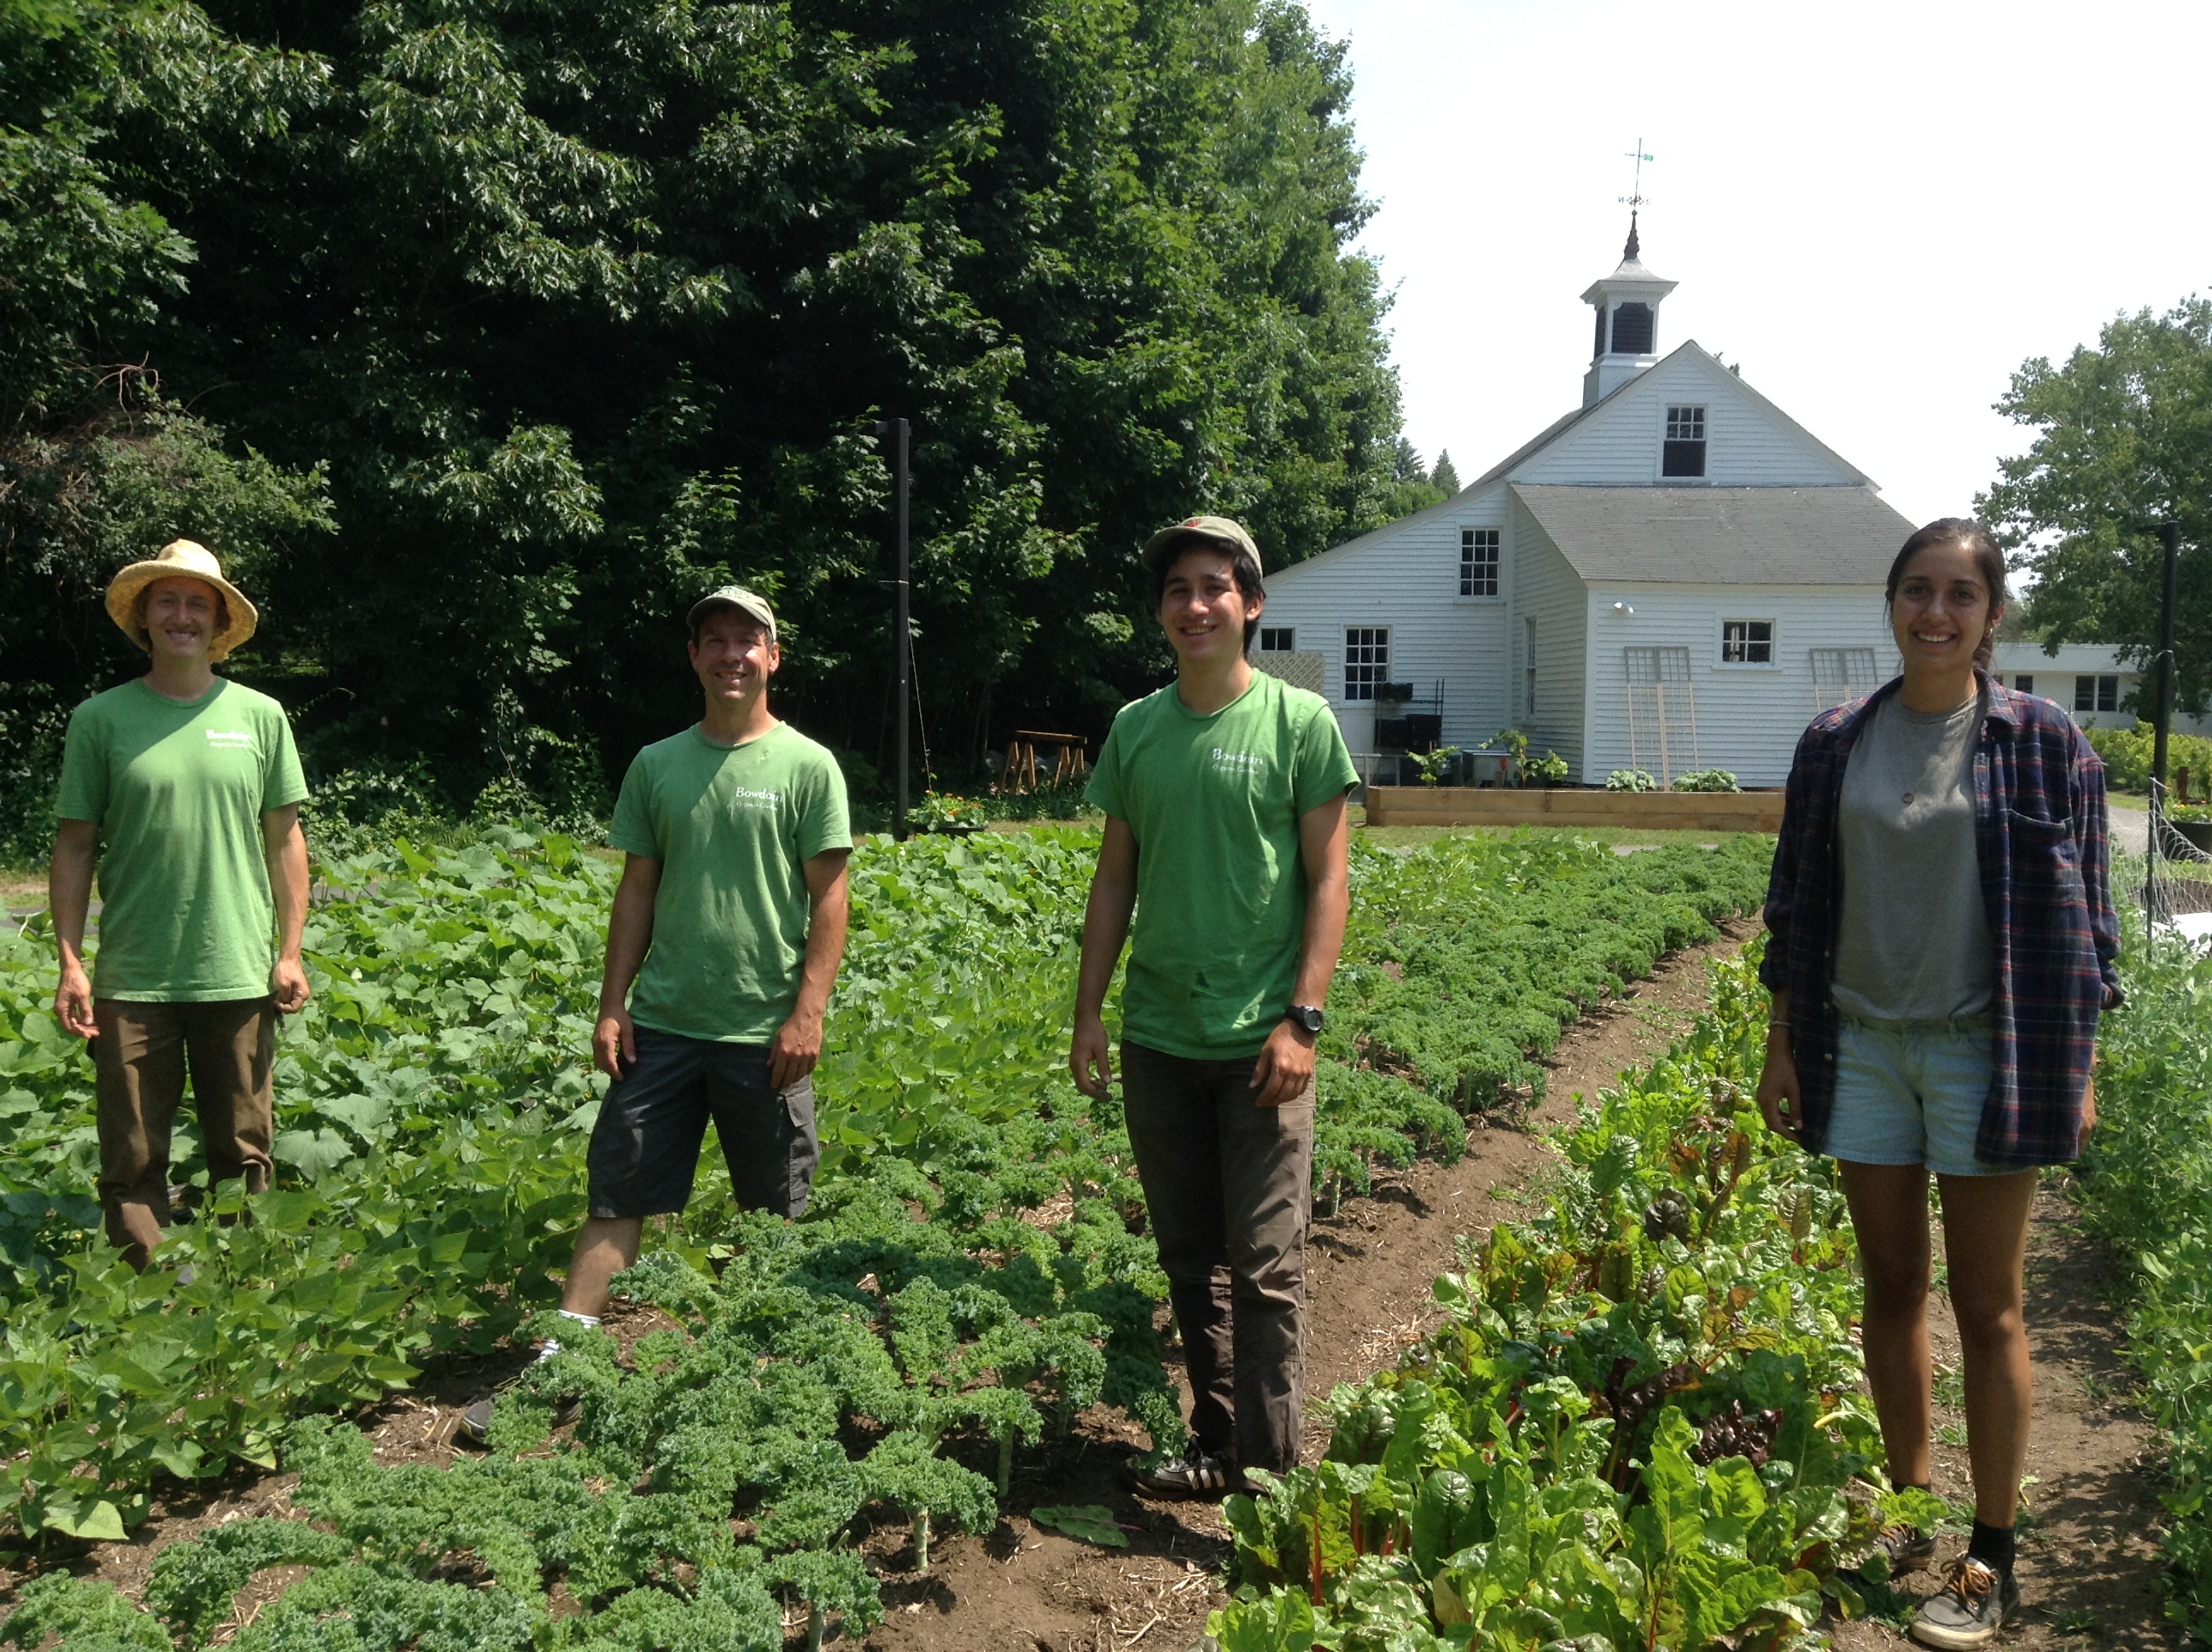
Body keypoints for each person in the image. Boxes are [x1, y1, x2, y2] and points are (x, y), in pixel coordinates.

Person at [1757, 518, 2120, 1649]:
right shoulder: (1834, 742)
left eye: (1961, 594)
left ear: (1991, 616)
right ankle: (1912, 1510)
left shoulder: (2044, 741)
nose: (1936, 612)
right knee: (1890, 1284)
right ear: (1893, 605)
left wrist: (2085, 1062)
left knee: (1991, 1301)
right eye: (1918, 591)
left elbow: (2092, 924)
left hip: (1987, 1046)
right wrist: (1782, 1043)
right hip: (1861, 1044)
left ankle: (1992, 1552)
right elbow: (1796, 906)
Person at [462, 585, 851, 1442]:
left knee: (775, 1210)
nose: (730, 655)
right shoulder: (657, 764)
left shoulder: (807, 766)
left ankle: (768, 1379)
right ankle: (561, 1369)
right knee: (618, 1190)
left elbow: (831, 899)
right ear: (695, 658)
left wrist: (807, 1012)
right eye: (713, 640)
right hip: (667, 1022)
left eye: (746, 641)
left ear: (772, 657)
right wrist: (612, 1005)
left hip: (763, 1033)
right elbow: (636, 891)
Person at [1068, 515, 1358, 1497]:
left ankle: (1270, 1482)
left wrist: (1303, 1019)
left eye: (1214, 587)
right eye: (1178, 590)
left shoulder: (1298, 723)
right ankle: (1219, 1440)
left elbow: (1329, 880)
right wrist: (1089, 1012)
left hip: (1263, 1042)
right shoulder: (1137, 730)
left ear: (1252, 604)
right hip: (1159, 1037)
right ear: (1162, 613)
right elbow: (1115, 881)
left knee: (1268, 1264)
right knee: (1192, 1261)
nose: (1195, 605)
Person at [49, 539, 311, 1269]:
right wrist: (70, 963)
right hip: (133, 973)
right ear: (145, 616)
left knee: (244, 1149)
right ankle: (150, 1292)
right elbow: (75, 847)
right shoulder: (100, 721)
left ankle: (239, 1287)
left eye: (199, 603)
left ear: (219, 620)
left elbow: (285, 839)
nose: (183, 615)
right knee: (132, 1155)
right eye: (167, 600)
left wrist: (289, 953)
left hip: (235, 969)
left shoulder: (259, 716)